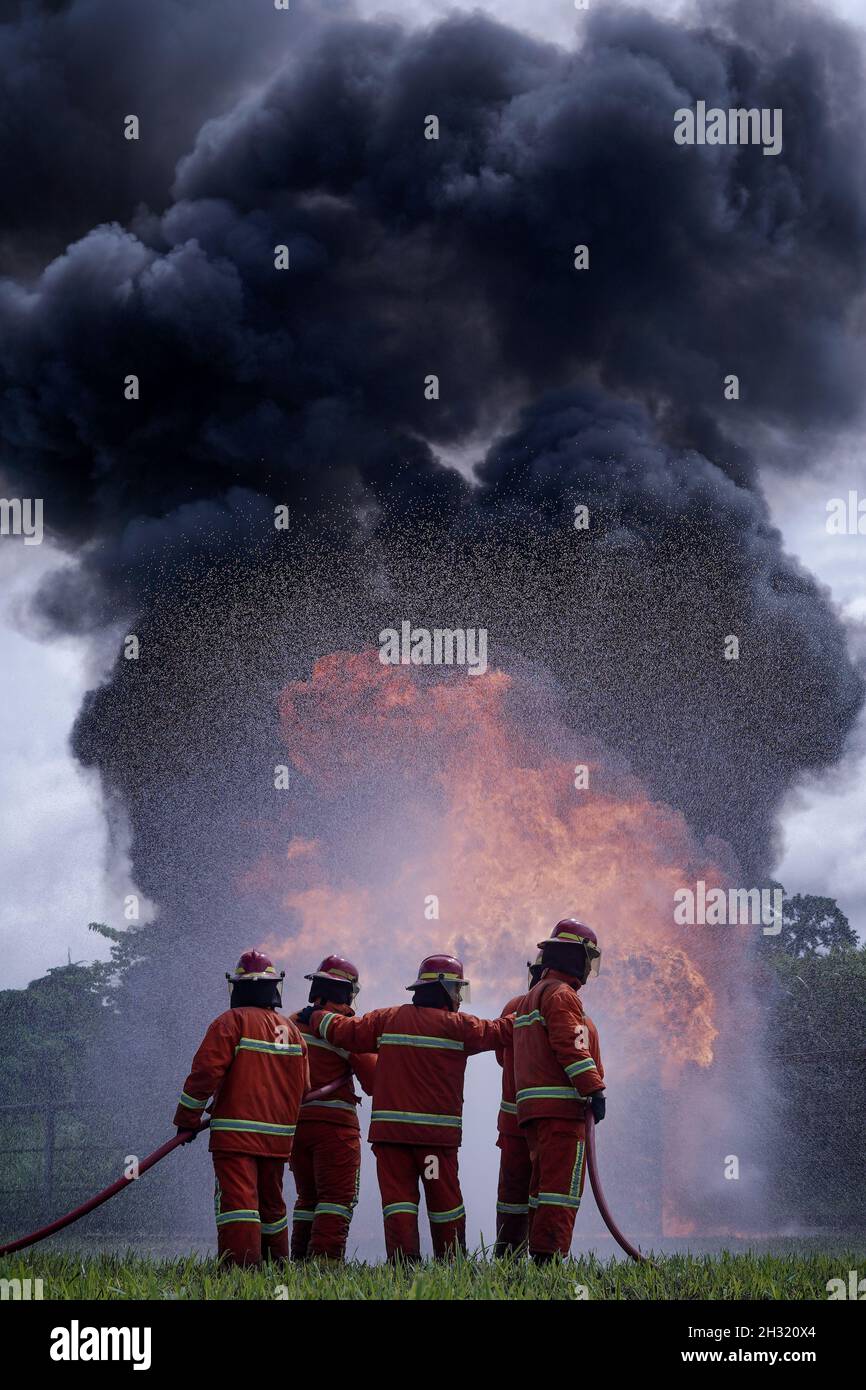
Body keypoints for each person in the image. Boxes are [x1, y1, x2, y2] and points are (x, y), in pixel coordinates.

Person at [299, 953, 512, 1261]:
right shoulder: (460, 1026)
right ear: (446, 990)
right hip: (433, 1143)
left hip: (391, 1140)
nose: (459, 1000)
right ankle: (451, 1263)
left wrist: (318, 1016)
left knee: (399, 1204)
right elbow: (501, 1031)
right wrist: (532, 1012)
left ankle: (403, 1265)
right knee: (444, 1204)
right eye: (458, 991)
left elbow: (345, 1032)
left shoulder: (386, 1019)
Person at [173, 949, 308, 1266]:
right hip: (278, 1140)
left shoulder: (230, 1022)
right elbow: (304, 1087)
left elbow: (204, 1074)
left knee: (239, 1202)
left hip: (235, 1136)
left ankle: (242, 1267)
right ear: (274, 988)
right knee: (272, 1203)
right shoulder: (293, 1033)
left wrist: (187, 1118)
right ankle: (277, 1263)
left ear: (237, 987)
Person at [513, 919, 605, 1262]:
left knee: (542, 1190)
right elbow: (571, 1045)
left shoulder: (533, 996)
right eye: (588, 957)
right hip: (562, 1114)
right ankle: (548, 1260)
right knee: (561, 1191)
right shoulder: (561, 995)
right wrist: (593, 1088)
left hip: (538, 1115)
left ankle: (539, 1255)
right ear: (575, 956)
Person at [289, 955, 377, 1261]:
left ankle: (299, 1259)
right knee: (336, 1199)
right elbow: (374, 1080)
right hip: (335, 1128)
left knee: (307, 1198)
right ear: (348, 992)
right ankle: (323, 1264)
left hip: (294, 1127)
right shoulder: (345, 1028)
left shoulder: (289, 1023)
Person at [494, 952, 544, 1256]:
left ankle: (506, 1256)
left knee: (511, 1194)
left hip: (512, 1123)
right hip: (546, 1123)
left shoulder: (514, 1006)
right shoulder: (565, 1007)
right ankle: (543, 1258)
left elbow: (502, 1058)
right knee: (545, 1191)